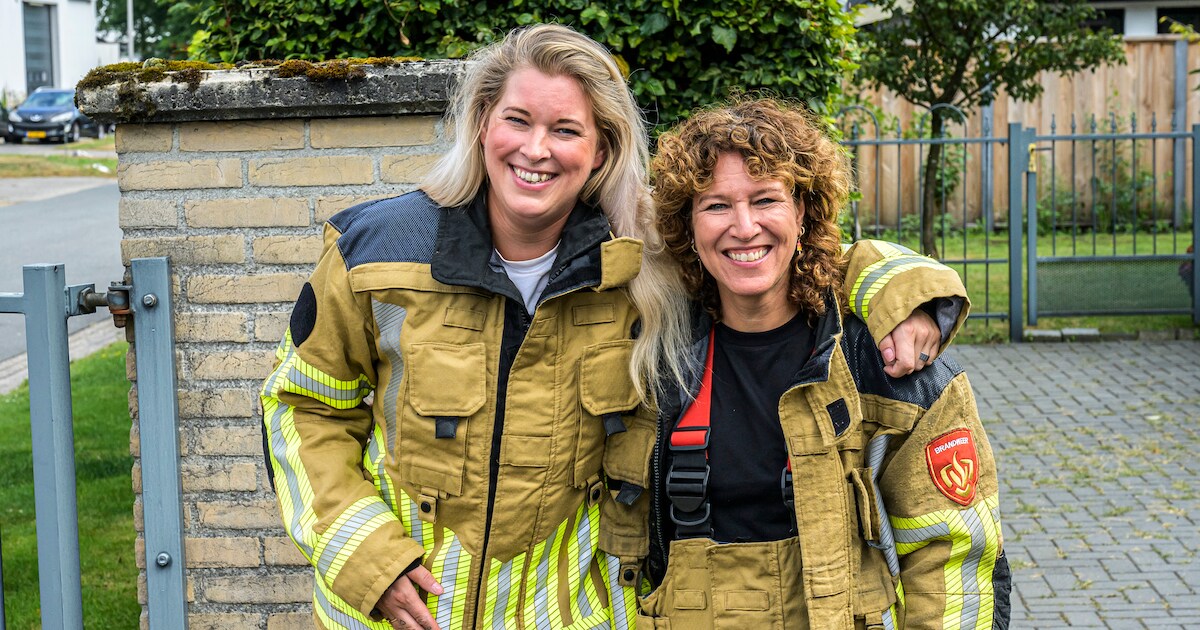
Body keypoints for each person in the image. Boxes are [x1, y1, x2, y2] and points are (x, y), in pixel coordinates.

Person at [261, 25, 963, 630]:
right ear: (482, 124)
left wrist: (907, 287)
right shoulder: (379, 252)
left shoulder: (640, 264)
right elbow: (300, 403)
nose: (537, 149)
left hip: (562, 612)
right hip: (393, 609)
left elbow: (777, 257)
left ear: (600, 151)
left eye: (566, 130)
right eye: (517, 120)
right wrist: (363, 554)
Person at [615, 98, 1010, 629]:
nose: (744, 226)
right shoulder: (650, 355)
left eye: (766, 200)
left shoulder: (885, 364)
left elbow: (954, 558)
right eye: (715, 206)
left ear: (802, 212)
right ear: (687, 224)